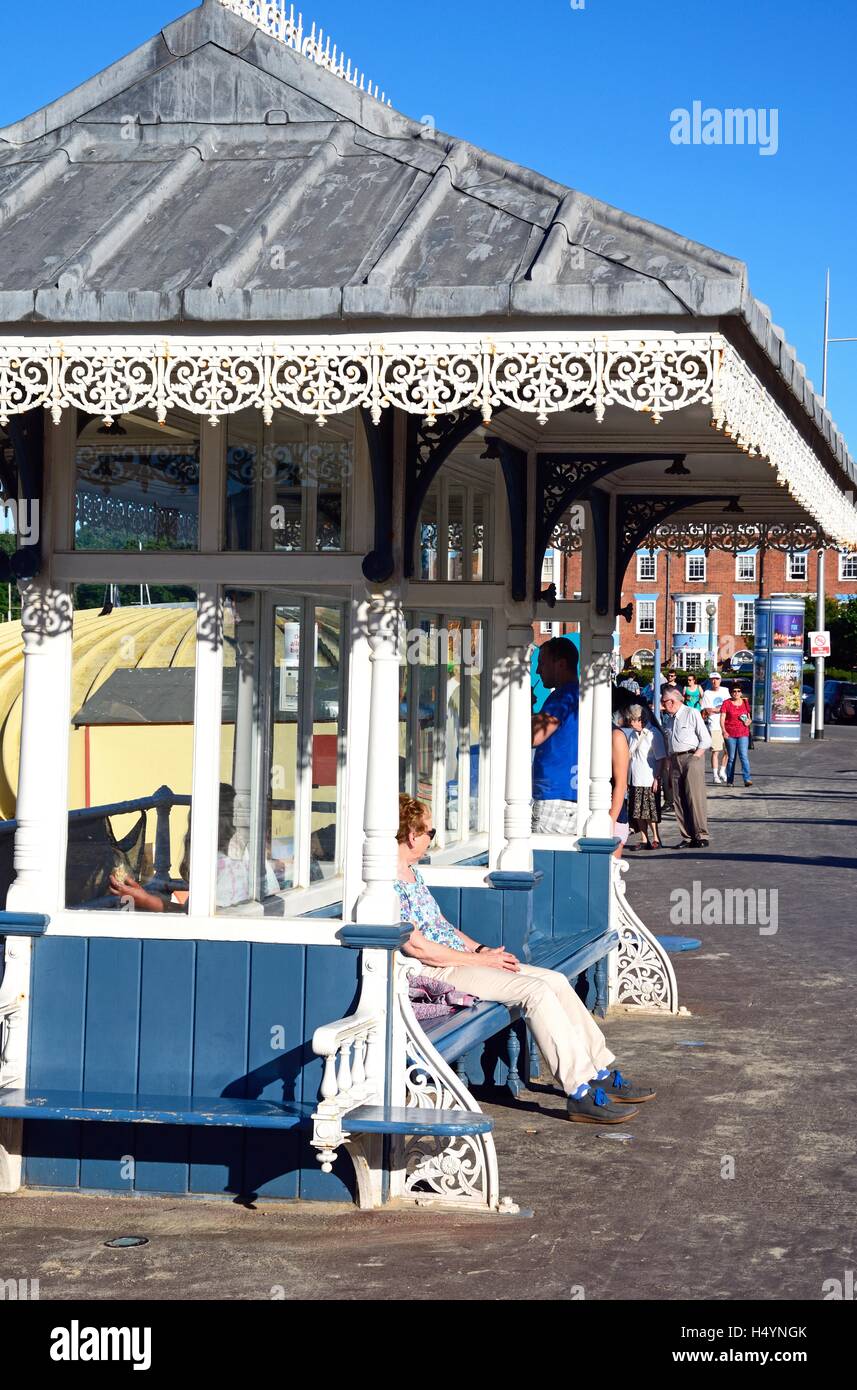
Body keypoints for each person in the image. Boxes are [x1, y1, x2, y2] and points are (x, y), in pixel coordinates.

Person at [396, 795, 655, 1123]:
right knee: (535, 993)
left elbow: (442, 925)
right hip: (437, 972)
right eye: (430, 833)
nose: (432, 840)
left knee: (555, 981)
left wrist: (479, 950)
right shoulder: (387, 884)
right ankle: (578, 1091)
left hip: (461, 960)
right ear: (411, 835)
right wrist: (475, 961)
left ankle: (598, 1071)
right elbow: (419, 948)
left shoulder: (411, 874)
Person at [531, 637, 579, 834]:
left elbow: (534, 736)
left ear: (560, 664)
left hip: (554, 797)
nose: (538, 670)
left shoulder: (563, 695)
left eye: (542, 663)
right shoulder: (579, 693)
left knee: (541, 861)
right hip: (568, 793)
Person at [661, 684, 712, 848]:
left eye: (664, 702)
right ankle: (687, 836)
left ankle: (701, 834)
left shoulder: (692, 713)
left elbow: (706, 739)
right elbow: (669, 744)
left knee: (694, 797)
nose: (663, 705)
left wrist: (695, 757)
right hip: (675, 759)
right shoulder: (669, 720)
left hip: (691, 756)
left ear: (672, 701)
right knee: (678, 799)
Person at [625, 703, 667, 849]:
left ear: (640, 719)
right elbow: (630, 757)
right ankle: (644, 839)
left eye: (632, 720)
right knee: (637, 812)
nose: (630, 723)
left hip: (649, 778)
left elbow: (661, 757)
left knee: (650, 811)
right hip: (635, 778)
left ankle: (656, 838)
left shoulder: (652, 733)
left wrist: (657, 778)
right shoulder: (632, 735)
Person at [721, 683, 754, 787]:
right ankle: (730, 780)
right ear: (731, 693)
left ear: (741, 692)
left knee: (743, 756)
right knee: (731, 758)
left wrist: (748, 721)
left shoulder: (745, 702)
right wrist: (724, 731)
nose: (736, 693)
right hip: (730, 733)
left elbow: (749, 718)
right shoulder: (726, 703)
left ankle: (747, 779)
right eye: (734, 691)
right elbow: (722, 718)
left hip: (743, 733)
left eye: (738, 691)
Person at [701, 672, 728, 784]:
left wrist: (716, 709)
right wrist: (719, 709)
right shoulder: (707, 693)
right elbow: (706, 709)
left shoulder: (725, 690)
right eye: (712, 679)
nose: (714, 681)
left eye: (716, 679)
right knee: (716, 751)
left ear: (720, 680)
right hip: (714, 725)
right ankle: (715, 775)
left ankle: (722, 770)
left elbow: (727, 707)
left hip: (727, 724)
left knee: (728, 751)